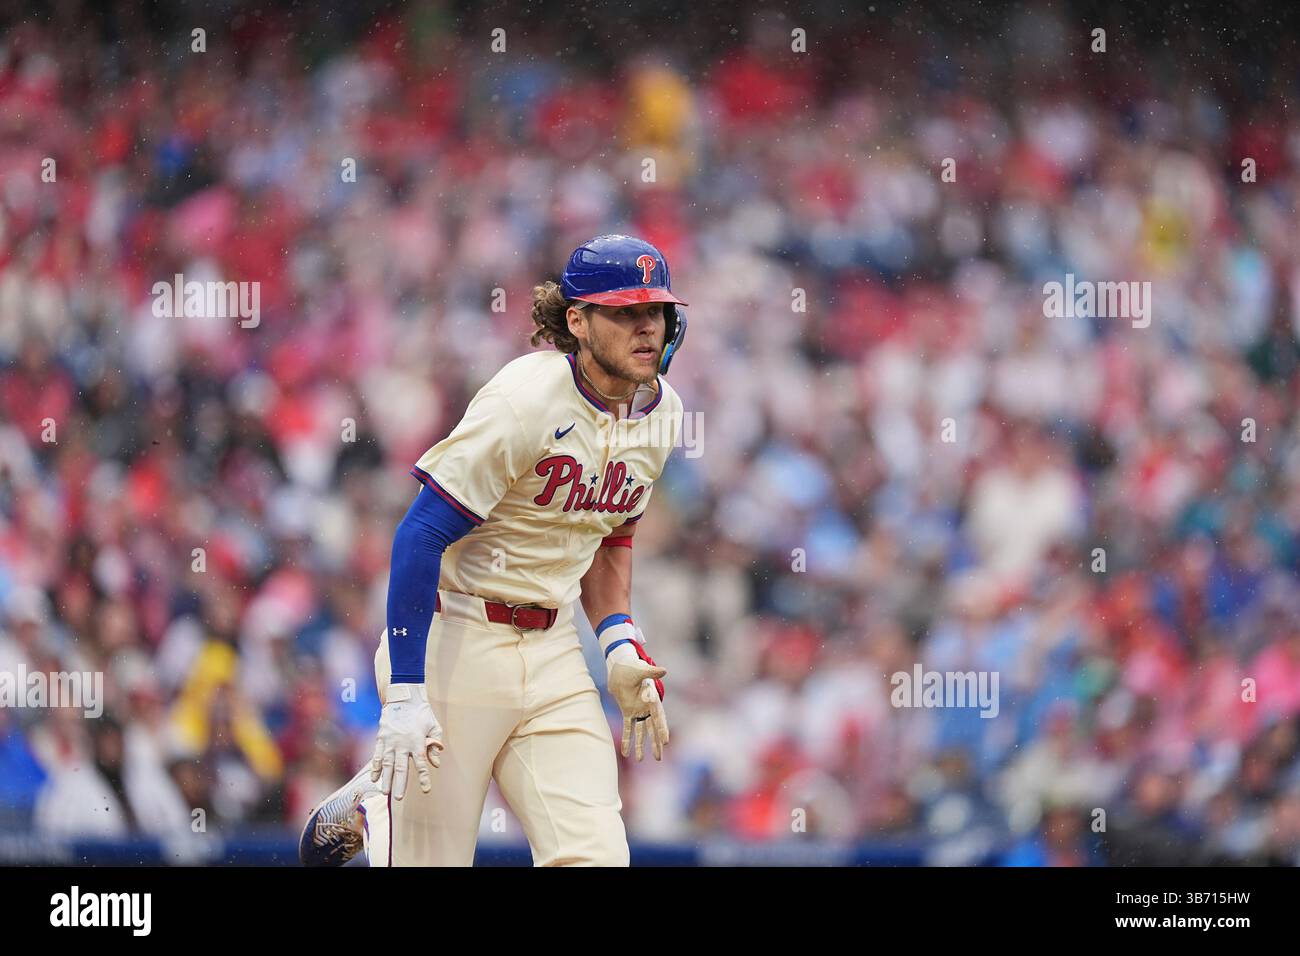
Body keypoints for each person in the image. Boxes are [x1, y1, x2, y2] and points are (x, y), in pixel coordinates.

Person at [299, 234, 687, 866]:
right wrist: (404, 693)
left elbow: (610, 536)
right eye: (624, 311)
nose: (648, 326)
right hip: (460, 639)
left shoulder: (663, 413)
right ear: (578, 322)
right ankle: (377, 803)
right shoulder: (525, 400)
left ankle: (379, 799)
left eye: (657, 309)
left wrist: (616, 640)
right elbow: (419, 536)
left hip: (555, 648)